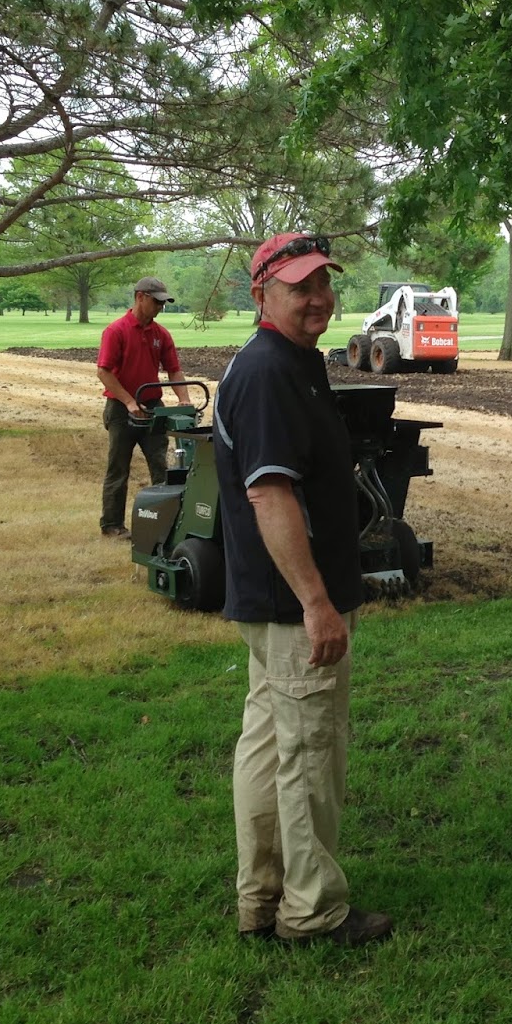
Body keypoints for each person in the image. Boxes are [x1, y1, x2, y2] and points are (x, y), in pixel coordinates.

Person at [211, 232, 393, 947]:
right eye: (298, 287)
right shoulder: (267, 374)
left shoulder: (292, 362)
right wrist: (318, 604)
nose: (317, 298)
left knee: (267, 744)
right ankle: (311, 910)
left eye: (324, 283)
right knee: (309, 752)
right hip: (292, 604)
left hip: (274, 600)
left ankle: (261, 896)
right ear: (260, 295)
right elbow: (272, 499)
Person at [95, 277, 192, 537]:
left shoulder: (161, 334)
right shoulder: (116, 331)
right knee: (119, 467)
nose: (161, 307)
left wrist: (184, 399)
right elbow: (104, 372)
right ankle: (112, 525)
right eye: (157, 301)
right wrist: (128, 401)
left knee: (160, 464)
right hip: (120, 408)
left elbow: (174, 369)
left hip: (152, 407)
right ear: (140, 297)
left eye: (163, 303)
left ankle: (166, 521)